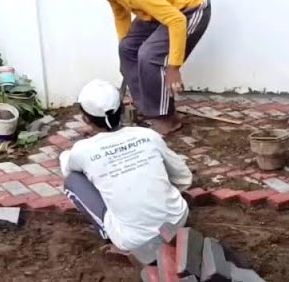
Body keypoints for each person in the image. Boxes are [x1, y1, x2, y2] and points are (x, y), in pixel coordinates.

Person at [71, 0, 211, 136]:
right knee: (128, 49)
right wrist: (126, 53)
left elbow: (177, 21)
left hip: (190, 8)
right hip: (159, 11)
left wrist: (173, 68)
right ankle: (147, 108)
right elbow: (121, 15)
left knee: (150, 55)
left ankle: (167, 120)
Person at [60, 79, 194, 252]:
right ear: (122, 109)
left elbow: (67, 168)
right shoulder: (147, 135)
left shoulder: (82, 150)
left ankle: (108, 233)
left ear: (85, 119)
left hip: (134, 240)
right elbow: (184, 178)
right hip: (178, 221)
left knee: (73, 180)